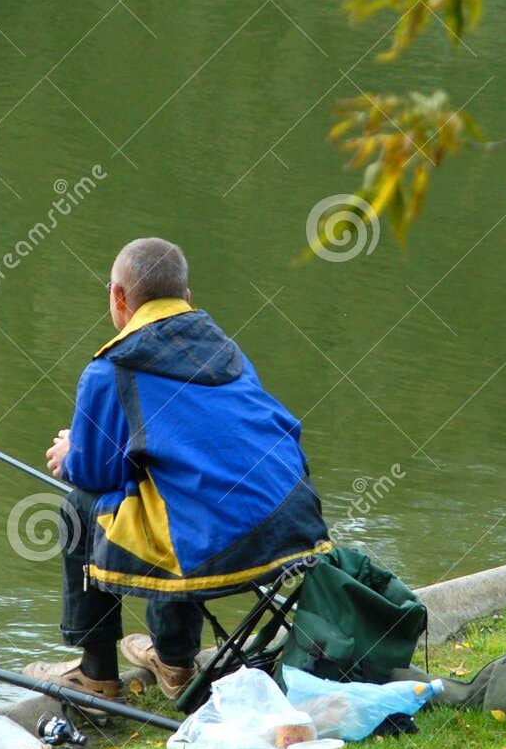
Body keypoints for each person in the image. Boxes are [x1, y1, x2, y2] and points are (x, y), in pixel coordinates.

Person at [23, 237, 330, 702]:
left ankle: (97, 675)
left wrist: (71, 454)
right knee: (168, 490)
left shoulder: (112, 368)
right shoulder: (227, 351)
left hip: (211, 550)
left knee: (81, 507)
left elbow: (95, 474)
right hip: (296, 526)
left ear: (118, 297)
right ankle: (172, 662)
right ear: (187, 299)